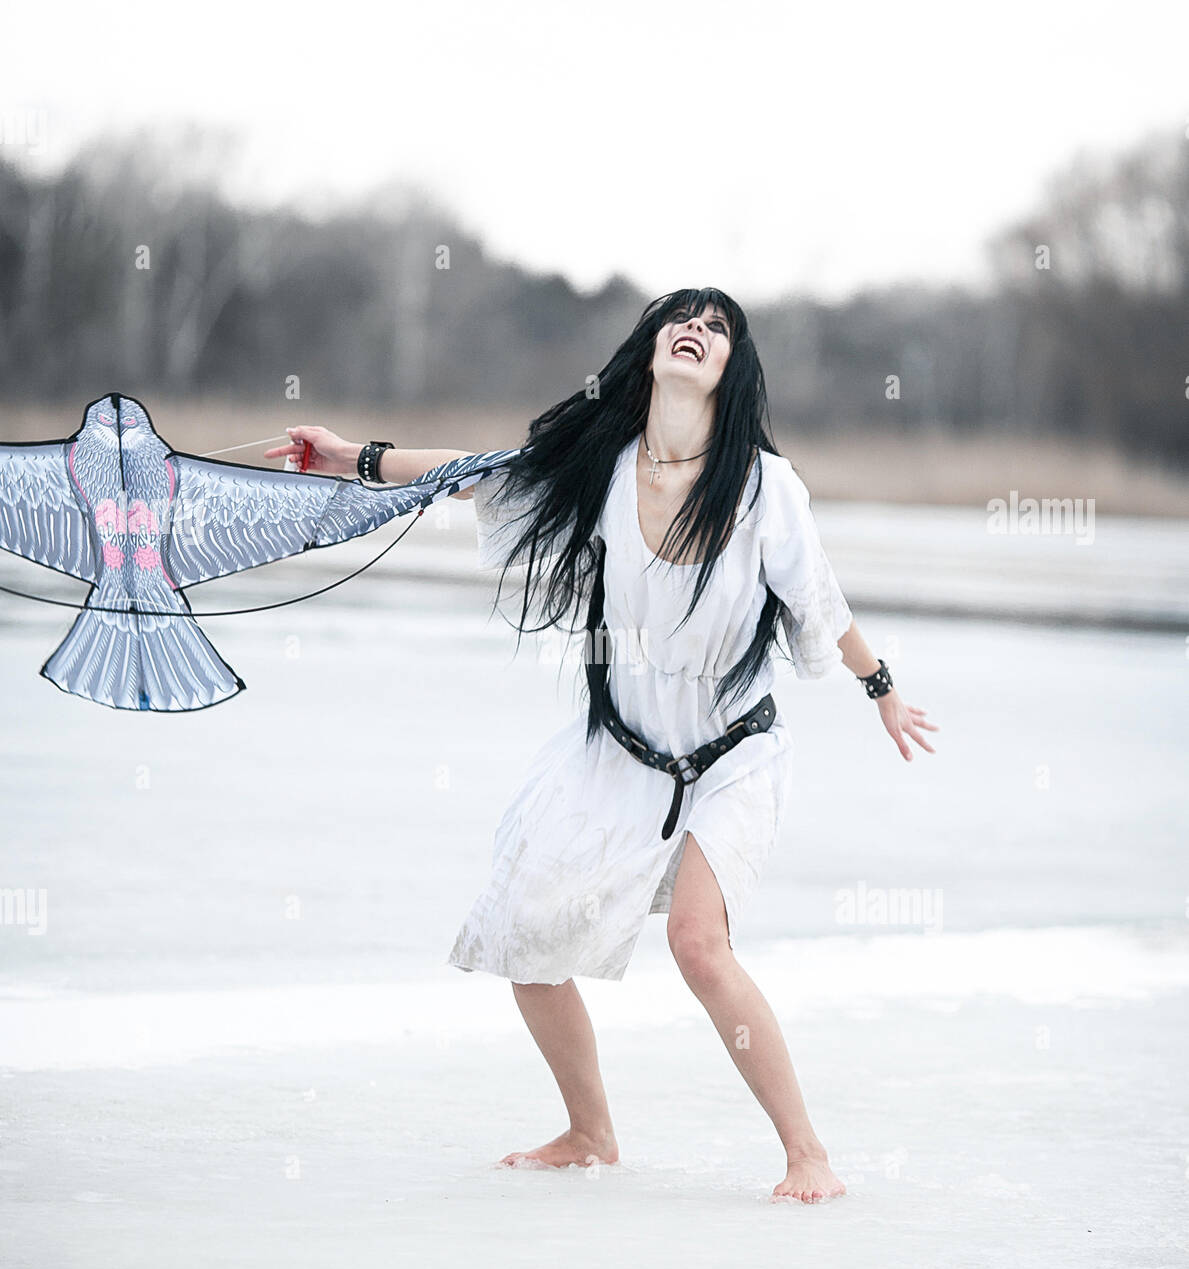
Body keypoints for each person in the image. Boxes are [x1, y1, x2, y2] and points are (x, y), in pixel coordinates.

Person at [266, 287, 939, 1202]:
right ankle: (589, 1131)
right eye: (682, 320)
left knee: (700, 946)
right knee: (525, 939)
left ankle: (806, 1154)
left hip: (730, 752)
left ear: (732, 369)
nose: (696, 331)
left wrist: (882, 690)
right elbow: (476, 470)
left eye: (717, 327)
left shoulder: (761, 488)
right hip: (617, 750)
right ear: (650, 349)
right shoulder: (599, 463)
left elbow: (820, 601)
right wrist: (355, 457)